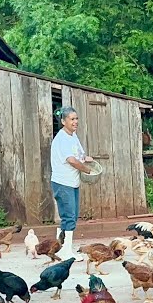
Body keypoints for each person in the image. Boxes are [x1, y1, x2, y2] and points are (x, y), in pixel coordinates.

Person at [50, 106, 92, 256]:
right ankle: (65, 252)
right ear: (63, 121)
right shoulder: (62, 139)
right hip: (63, 182)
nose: (75, 122)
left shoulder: (73, 136)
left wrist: (86, 158)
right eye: (72, 119)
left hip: (72, 182)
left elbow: (79, 156)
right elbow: (72, 160)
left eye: (76, 118)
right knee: (69, 217)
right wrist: (86, 169)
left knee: (71, 216)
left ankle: (60, 249)